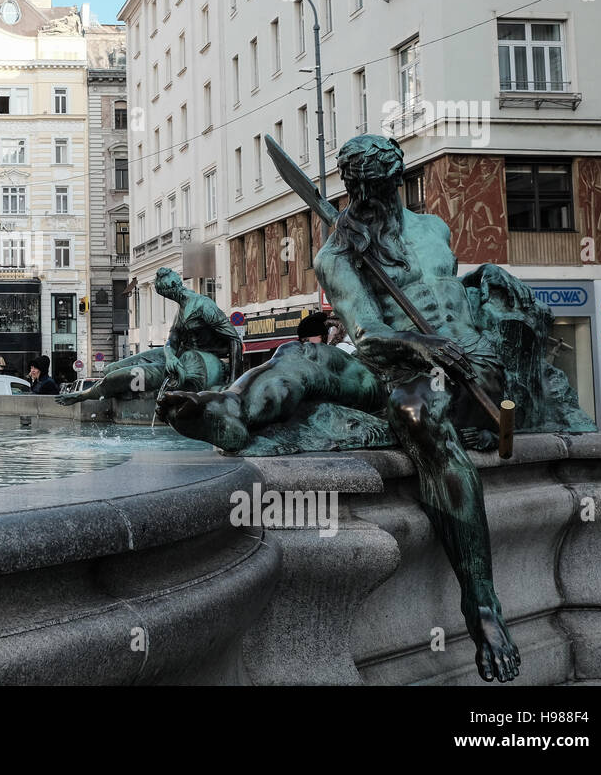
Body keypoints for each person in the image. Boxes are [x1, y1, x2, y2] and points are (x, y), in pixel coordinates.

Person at [159, 134, 522, 683]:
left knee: (424, 424)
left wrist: (457, 340)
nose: (368, 201)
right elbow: (368, 335)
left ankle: (482, 604)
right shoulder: (336, 253)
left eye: (379, 190)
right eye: (359, 192)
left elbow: (454, 299)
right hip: (398, 363)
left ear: (395, 183)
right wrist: (421, 346)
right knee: (301, 355)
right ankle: (232, 408)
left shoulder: (434, 230)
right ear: (349, 188)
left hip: (472, 378)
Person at [56, 268, 239, 406]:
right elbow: (171, 342)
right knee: (111, 368)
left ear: (174, 288)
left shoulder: (203, 306)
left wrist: (233, 382)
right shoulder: (182, 309)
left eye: (167, 294)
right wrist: (170, 356)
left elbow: (235, 340)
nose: (168, 298)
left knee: (122, 375)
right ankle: (126, 393)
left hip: (200, 367)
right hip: (181, 355)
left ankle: (82, 396)